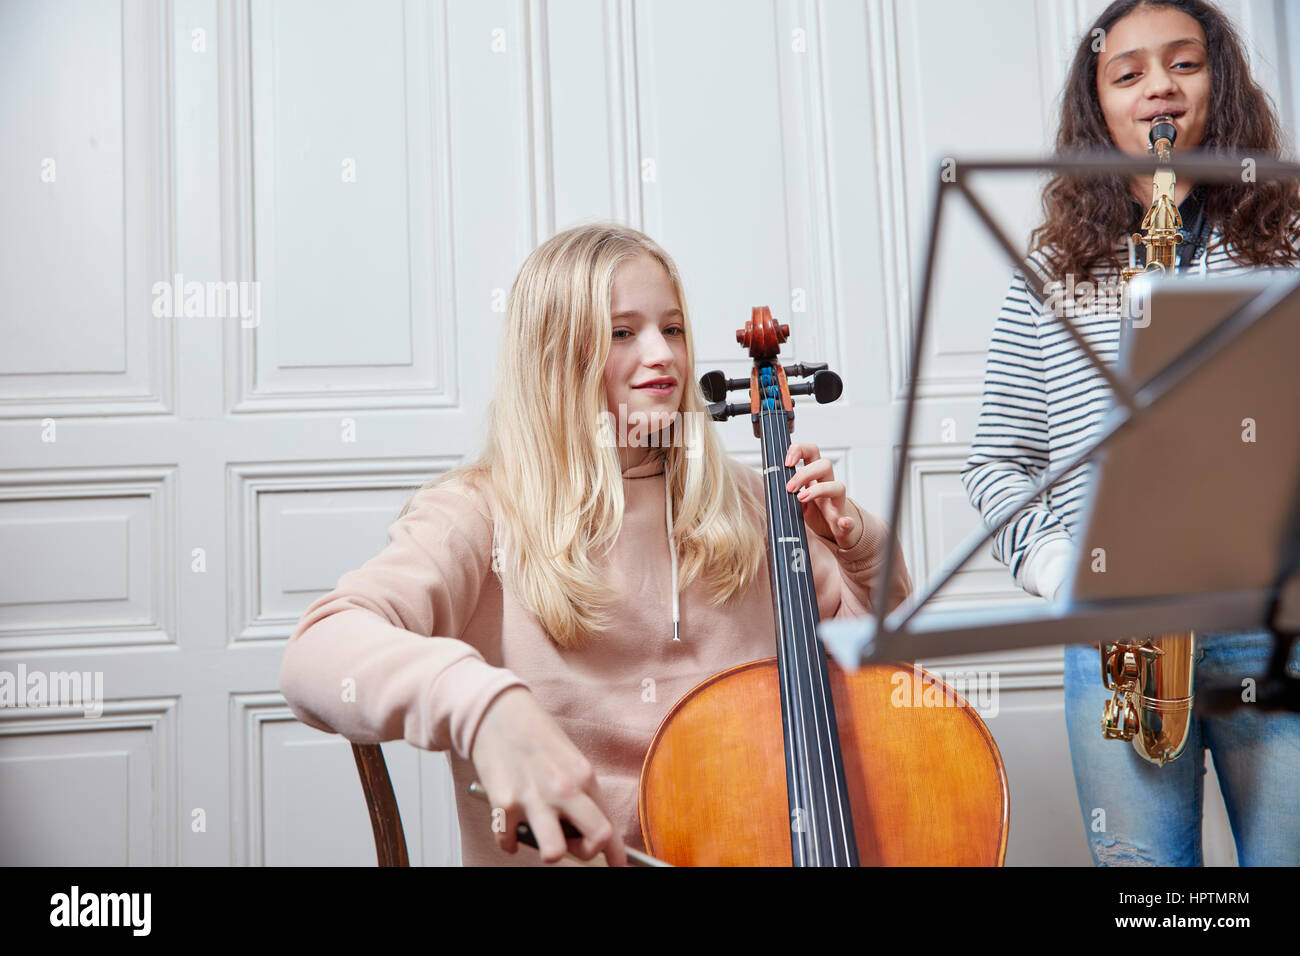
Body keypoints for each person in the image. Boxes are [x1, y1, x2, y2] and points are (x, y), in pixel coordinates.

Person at [279, 223, 912, 866]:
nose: (662, 355)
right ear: (556, 356)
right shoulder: (477, 515)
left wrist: (858, 546)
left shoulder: (754, 504)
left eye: (672, 328)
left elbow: (878, 688)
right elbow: (317, 651)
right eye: (621, 332)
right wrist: (483, 706)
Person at [962, 0, 1300, 866]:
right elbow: (999, 459)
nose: (1159, 88)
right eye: (1129, 73)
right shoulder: (1050, 275)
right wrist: (1061, 567)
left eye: (1185, 64)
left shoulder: (1290, 245)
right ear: (1099, 108)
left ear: (1219, 83)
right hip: (1123, 630)